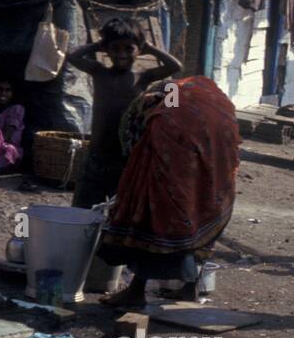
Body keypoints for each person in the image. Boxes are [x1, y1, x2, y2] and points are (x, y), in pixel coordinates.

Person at [96, 76, 240, 307]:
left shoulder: (157, 110)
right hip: (213, 175)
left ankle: (135, 291)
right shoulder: (202, 96)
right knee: (197, 224)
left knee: (152, 221)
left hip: (173, 171)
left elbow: (133, 140)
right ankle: (189, 289)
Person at [66, 17, 182, 210]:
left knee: (119, 212)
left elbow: (175, 66)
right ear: (107, 50)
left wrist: (149, 47)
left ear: (139, 51)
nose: (121, 54)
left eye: (129, 49)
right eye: (115, 48)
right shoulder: (99, 71)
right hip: (96, 157)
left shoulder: (142, 77)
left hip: (125, 160)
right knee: (82, 211)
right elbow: (71, 56)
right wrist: (97, 45)